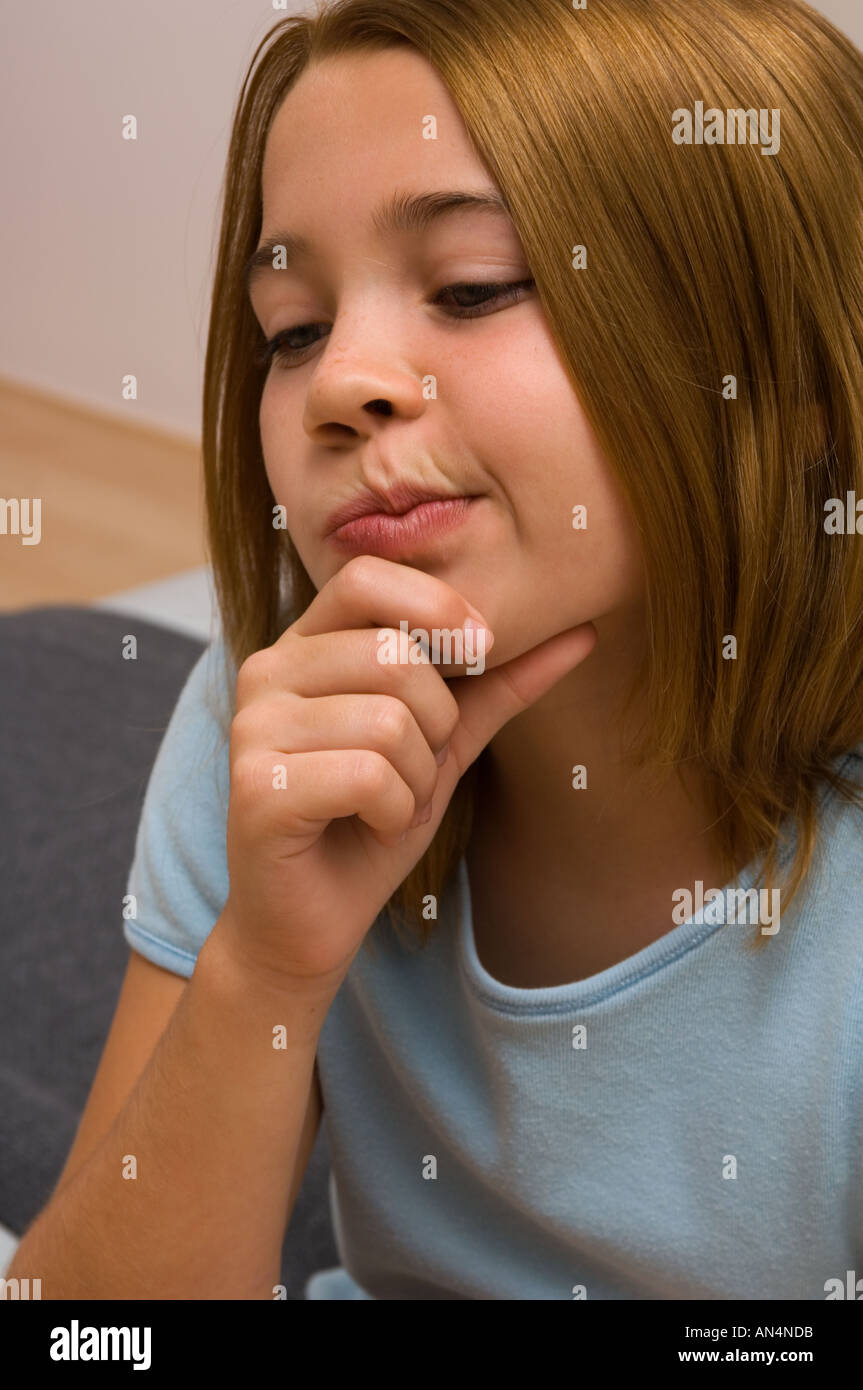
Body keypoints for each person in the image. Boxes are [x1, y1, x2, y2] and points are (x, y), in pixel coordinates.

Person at [9, 0, 863, 1300]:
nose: (343, 378)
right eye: (291, 327)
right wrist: (261, 967)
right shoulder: (278, 697)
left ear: (787, 386)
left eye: (472, 286)